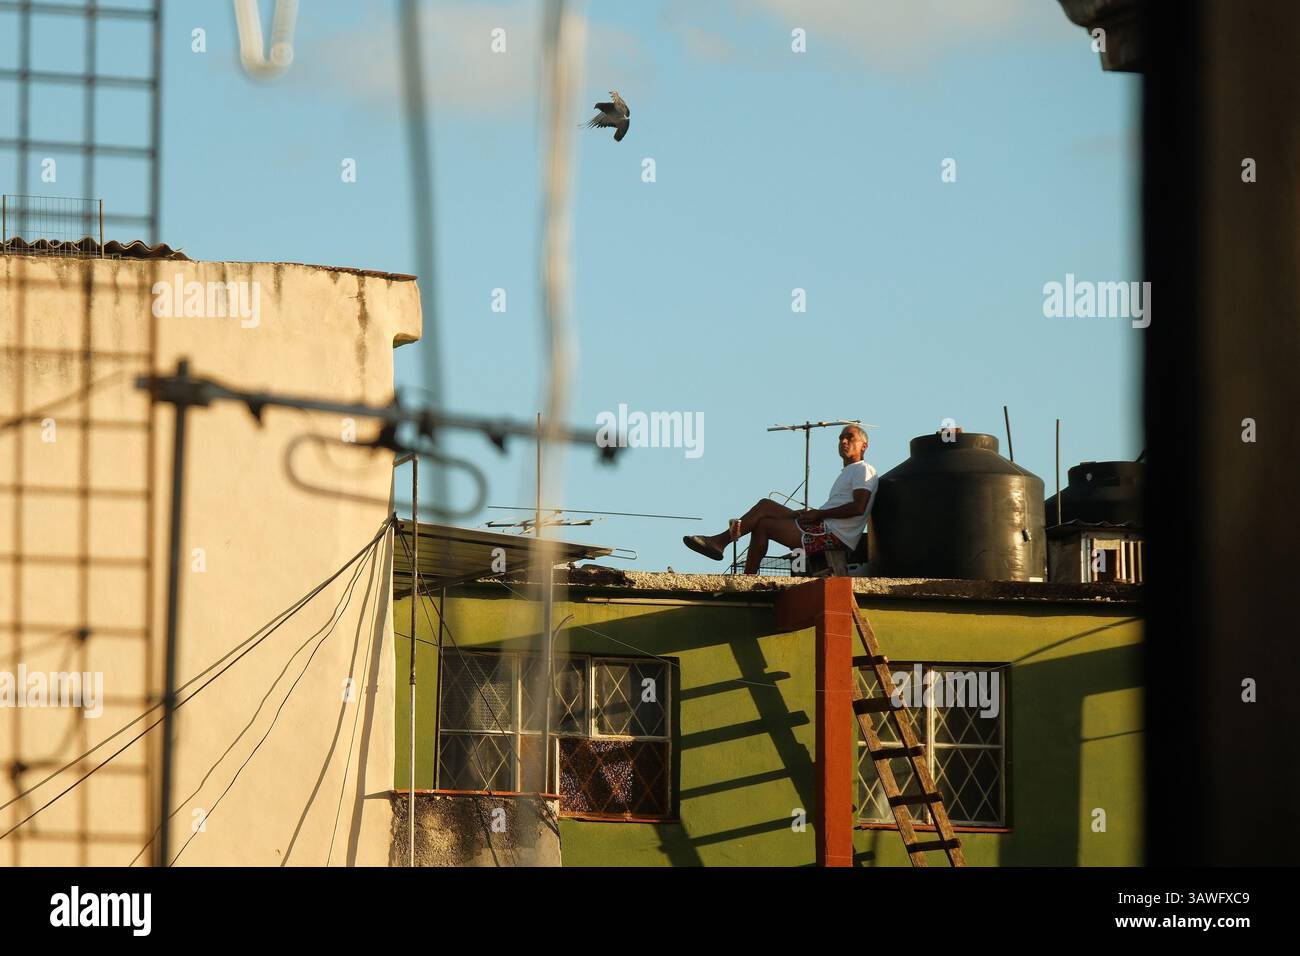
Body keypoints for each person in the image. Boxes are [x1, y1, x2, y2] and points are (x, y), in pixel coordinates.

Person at [683, 424, 878, 574]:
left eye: (849, 437)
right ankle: (722, 545)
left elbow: (858, 507)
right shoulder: (849, 471)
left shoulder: (863, 469)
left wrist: (820, 513)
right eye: (841, 438)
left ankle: (732, 557)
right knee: (765, 505)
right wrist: (814, 514)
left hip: (832, 534)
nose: (844, 441)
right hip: (822, 523)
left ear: (864, 446)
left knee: (764, 525)